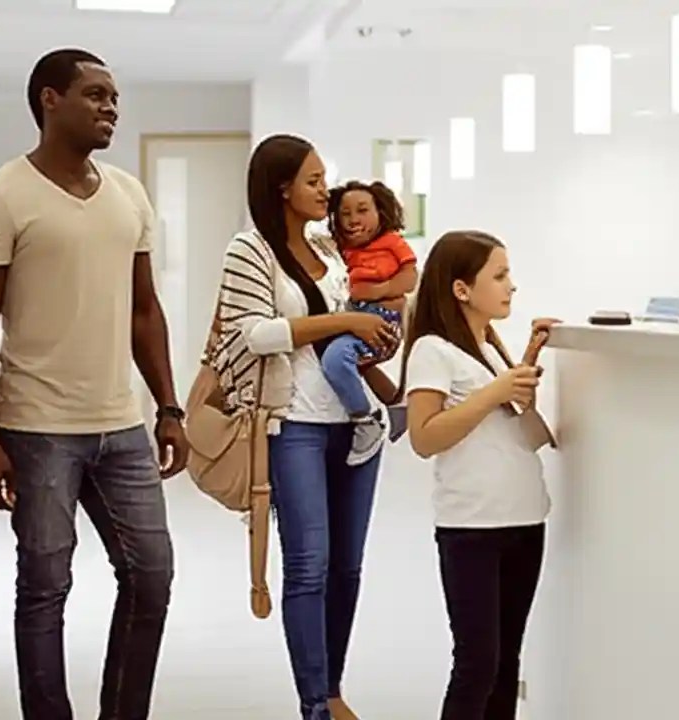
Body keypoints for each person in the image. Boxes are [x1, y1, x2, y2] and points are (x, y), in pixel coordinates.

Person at [0, 49, 188, 720]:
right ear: (49, 100)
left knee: (152, 576)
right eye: (94, 94)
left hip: (121, 424)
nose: (110, 106)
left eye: (114, 96)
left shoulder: (128, 195)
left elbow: (146, 311)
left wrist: (168, 406)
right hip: (36, 429)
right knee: (45, 586)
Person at [217, 134, 401, 720]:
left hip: (355, 423)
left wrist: (376, 333)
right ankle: (313, 705)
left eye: (325, 179)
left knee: (347, 566)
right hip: (293, 421)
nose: (327, 191)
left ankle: (334, 689)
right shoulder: (250, 251)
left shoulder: (331, 247)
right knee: (307, 565)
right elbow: (252, 334)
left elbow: (368, 318)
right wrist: (344, 320)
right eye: (314, 181)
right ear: (282, 188)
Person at [402, 231, 558, 720]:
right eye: (500, 275)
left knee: (505, 660)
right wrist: (495, 391)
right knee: (477, 662)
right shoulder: (432, 350)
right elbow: (424, 437)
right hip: (472, 526)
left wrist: (526, 358)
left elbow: (504, 414)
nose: (512, 286)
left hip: (524, 519)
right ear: (461, 289)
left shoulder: (489, 345)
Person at [321, 180, 418, 466]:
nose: (353, 220)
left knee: (337, 360)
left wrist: (377, 291)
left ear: (381, 212)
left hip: (381, 318)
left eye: (362, 210)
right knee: (357, 364)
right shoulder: (340, 250)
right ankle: (396, 406)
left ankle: (365, 418)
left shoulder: (391, 242)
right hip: (353, 316)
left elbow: (410, 279)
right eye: (345, 213)